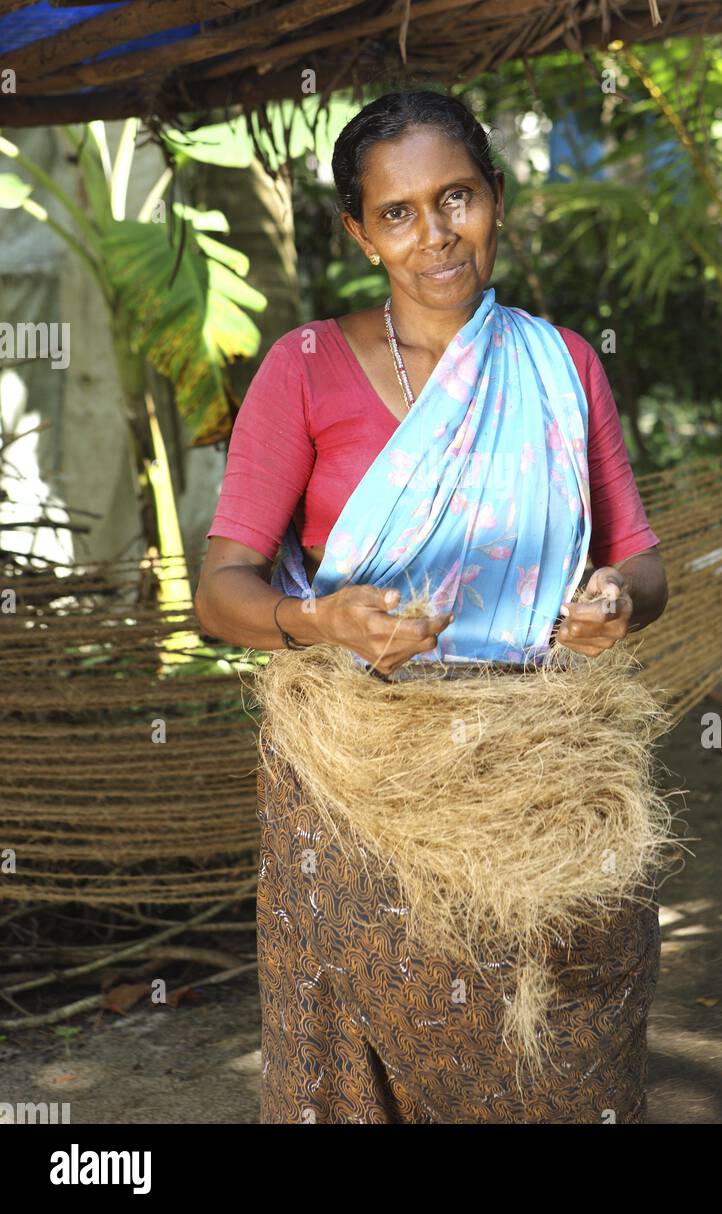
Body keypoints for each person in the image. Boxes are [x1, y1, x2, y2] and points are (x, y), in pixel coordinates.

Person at [195, 89, 668, 1123]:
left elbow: (640, 561)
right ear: (359, 232)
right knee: (368, 1027)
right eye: (398, 212)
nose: (435, 234)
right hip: (361, 762)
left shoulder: (560, 364)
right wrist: (319, 622)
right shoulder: (304, 368)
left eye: (455, 197)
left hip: (543, 757)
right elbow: (219, 591)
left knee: (576, 1011)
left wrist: (611, 601)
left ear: (495, 199)